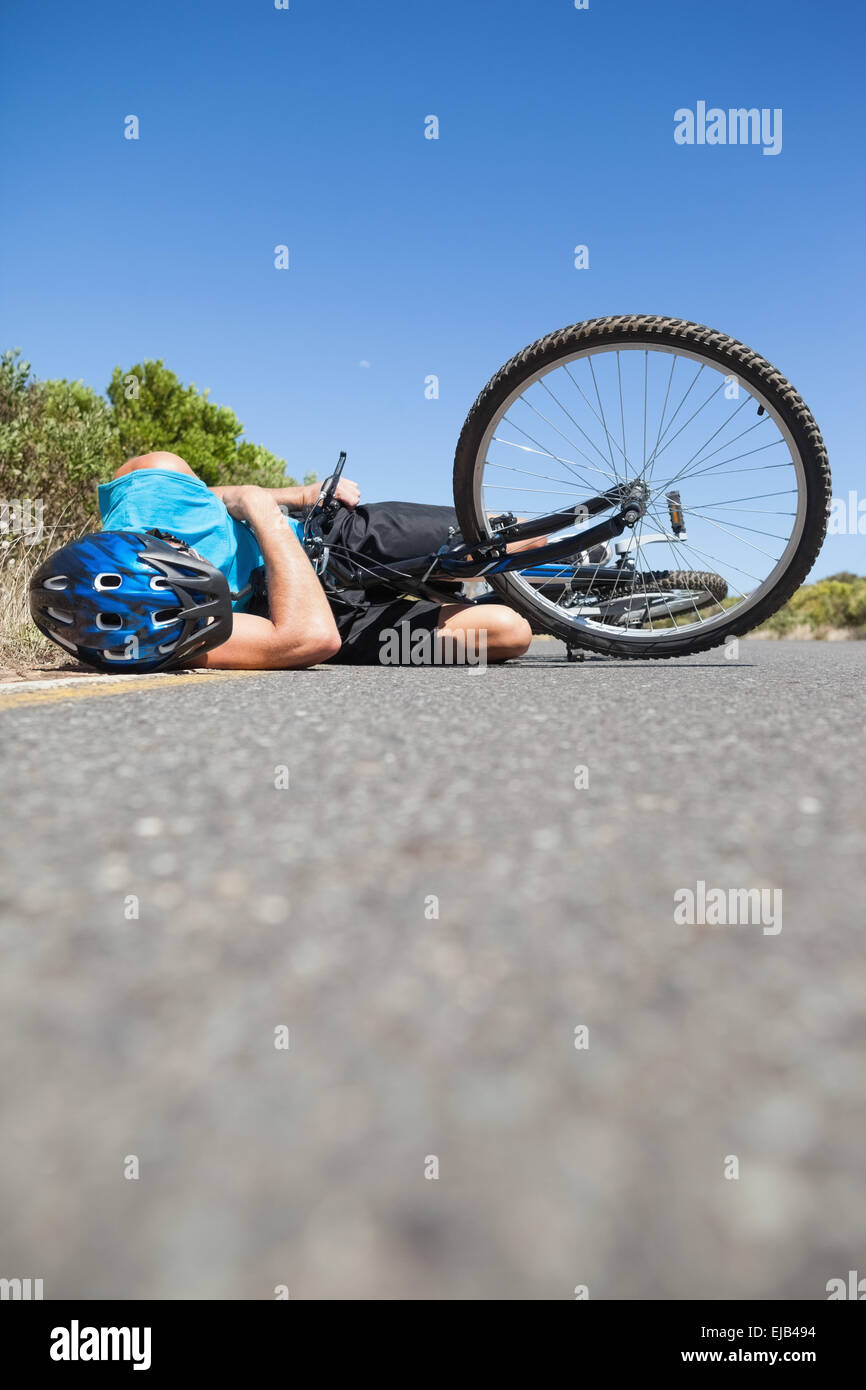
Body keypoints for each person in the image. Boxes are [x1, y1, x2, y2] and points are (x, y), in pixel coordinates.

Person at [30, 451, 531, 670]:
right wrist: (267, 521)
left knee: (506, 541)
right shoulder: (152, 636)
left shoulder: (150, 486)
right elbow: (312, 638)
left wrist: (290, 496)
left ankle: (586, 555)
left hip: (329, 538)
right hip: (330, 617)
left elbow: (213, 495)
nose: (210, 596)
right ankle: (541, 602)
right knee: (509, 631)